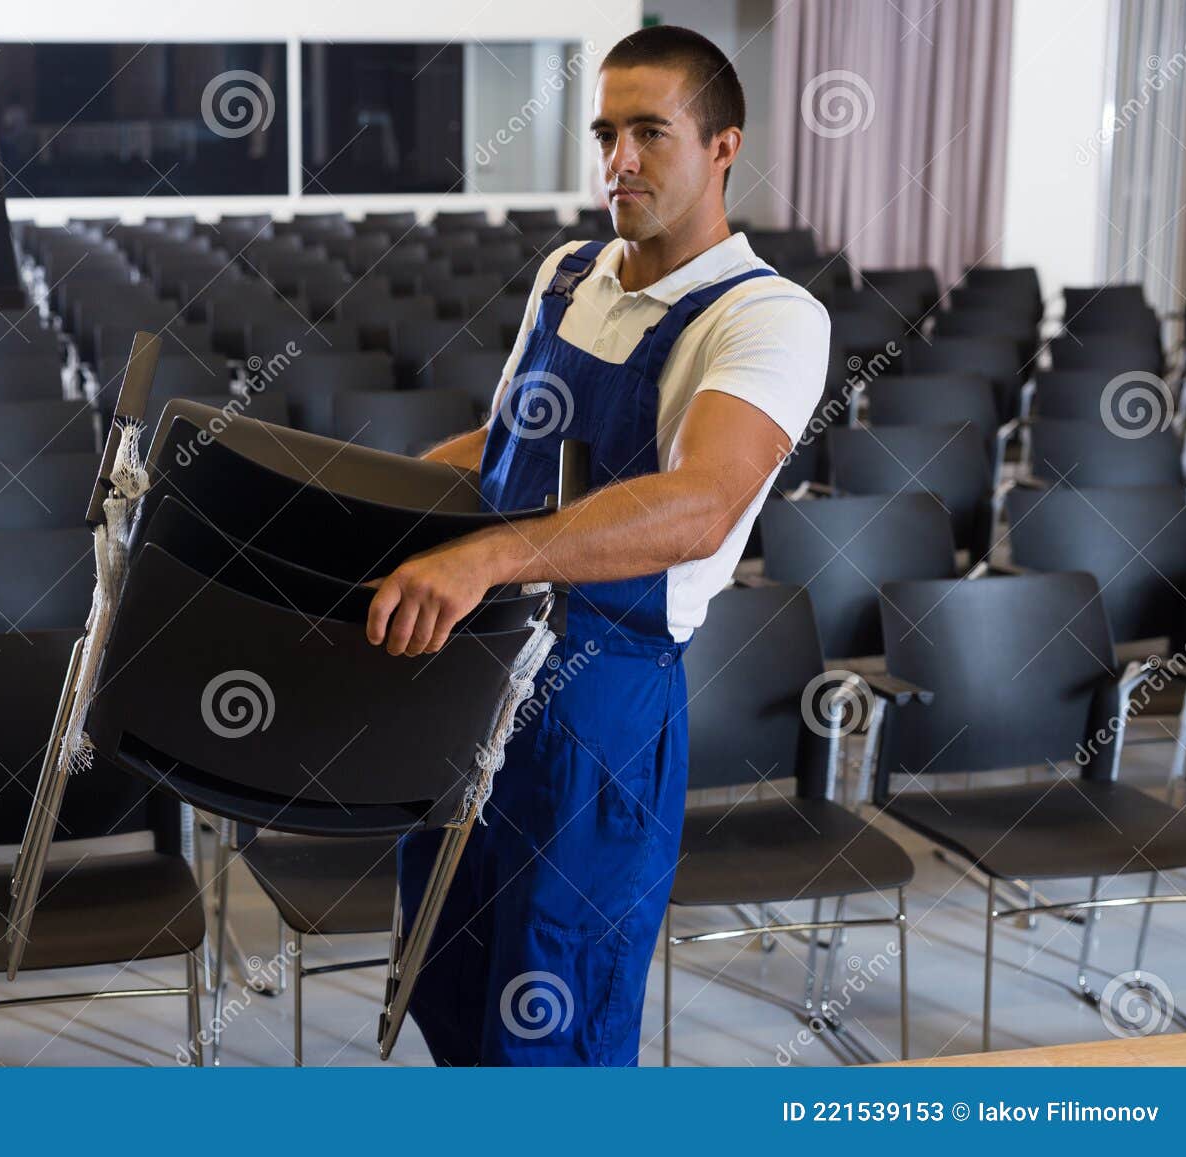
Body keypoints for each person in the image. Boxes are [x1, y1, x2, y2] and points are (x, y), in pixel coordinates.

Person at [366, 24, 830, 1065]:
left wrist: (486, 555)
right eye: (605, 132)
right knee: (451, 983)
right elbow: (503, 449)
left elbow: (702, 502)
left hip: (597, 708)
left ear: (723, 147)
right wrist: (347, 489)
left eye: (650, 134)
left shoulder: (768, 315)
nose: (618, 161)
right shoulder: (569, 271)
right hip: (469, 675)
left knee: (555, 1018)